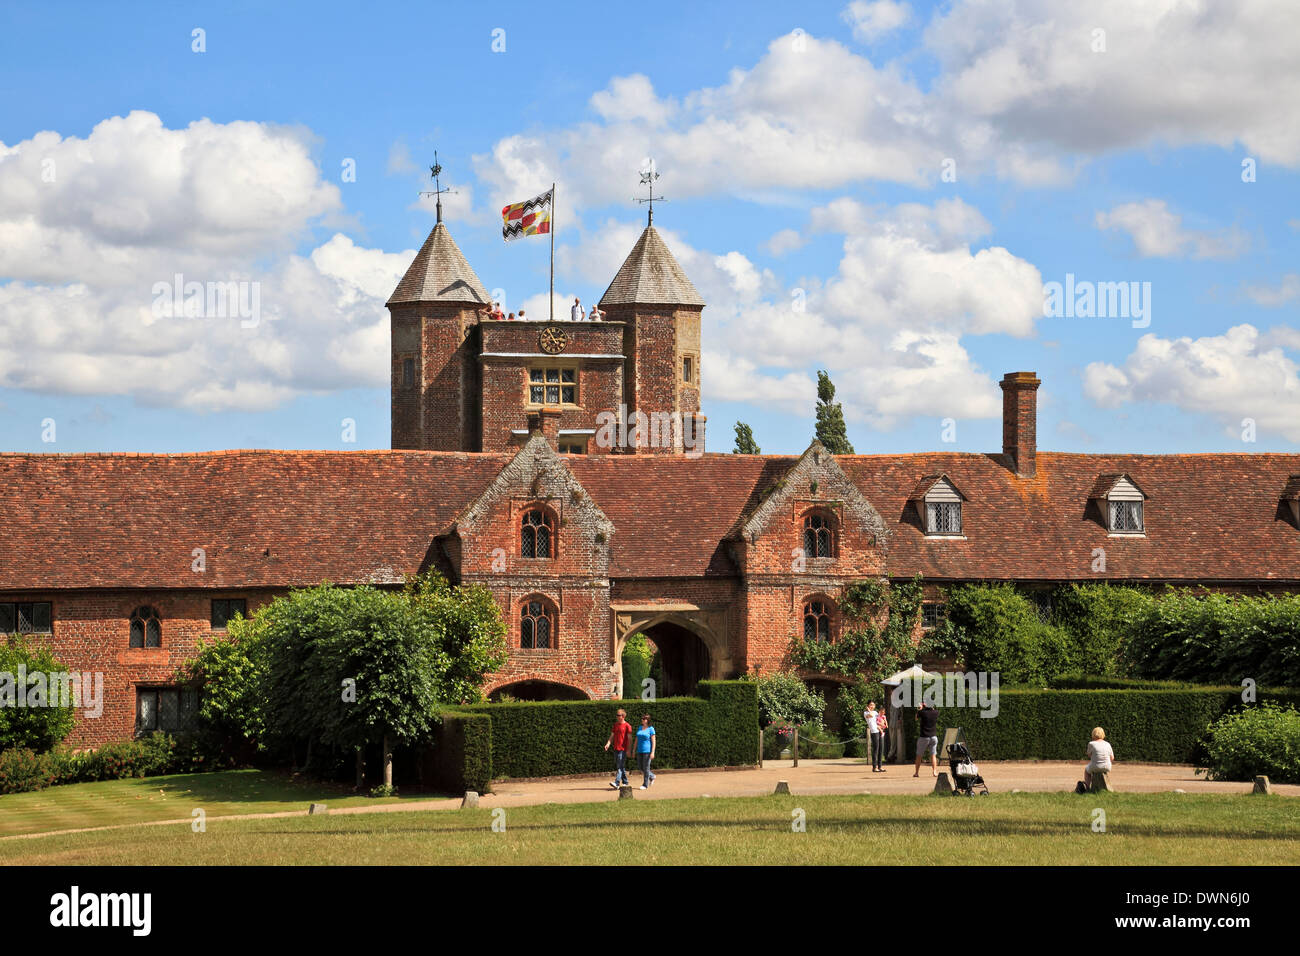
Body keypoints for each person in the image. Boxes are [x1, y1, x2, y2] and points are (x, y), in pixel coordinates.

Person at [604, 708, 633, 788]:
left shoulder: (627, 726)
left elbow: (630, 739)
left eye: (618, 715)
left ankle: (616, 783)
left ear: (623, 716)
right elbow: (612, 736)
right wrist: (608, 744)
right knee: (621, 766)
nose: (617, 716)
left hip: (623, 750)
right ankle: (625, 782)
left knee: (619, 766)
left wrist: (628, 750)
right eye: (616, 715)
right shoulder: (615, 725)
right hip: (616, 748)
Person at [913, 701, 940, 777]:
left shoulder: (922, 712)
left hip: (924, 737)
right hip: (934, 737)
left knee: (919, 755)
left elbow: (916, 718)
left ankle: (916, 773)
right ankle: (934, 771)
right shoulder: (936, 712)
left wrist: (920, 709)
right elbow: (933, 709)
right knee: (933, 755)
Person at [635, 713, 656, 789]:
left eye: (644, 719)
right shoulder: (640, 728)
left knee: (646, 768)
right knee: (641, 767)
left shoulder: (651, 729)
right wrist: (634, 749)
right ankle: (652, 776)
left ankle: (645, 784)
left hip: (647, 751)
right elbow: (637, 739)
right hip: (639, 750)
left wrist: (652, 752)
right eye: (642, 718)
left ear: (647, 720)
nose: (642, 720)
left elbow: (653, 741)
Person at [866, 701, 887, 772]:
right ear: (868, 706)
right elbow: (871, 716)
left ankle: (880, 766)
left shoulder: (875, 712)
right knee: (876, 749)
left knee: (881, 749)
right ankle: (874, 767)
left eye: (873, 705)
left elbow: (880, 717)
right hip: (874, 732)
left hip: (880, 731)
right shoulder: (866, 713)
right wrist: (868, 710)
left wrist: (883, 723)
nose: (872, 706)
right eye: (870, 705)